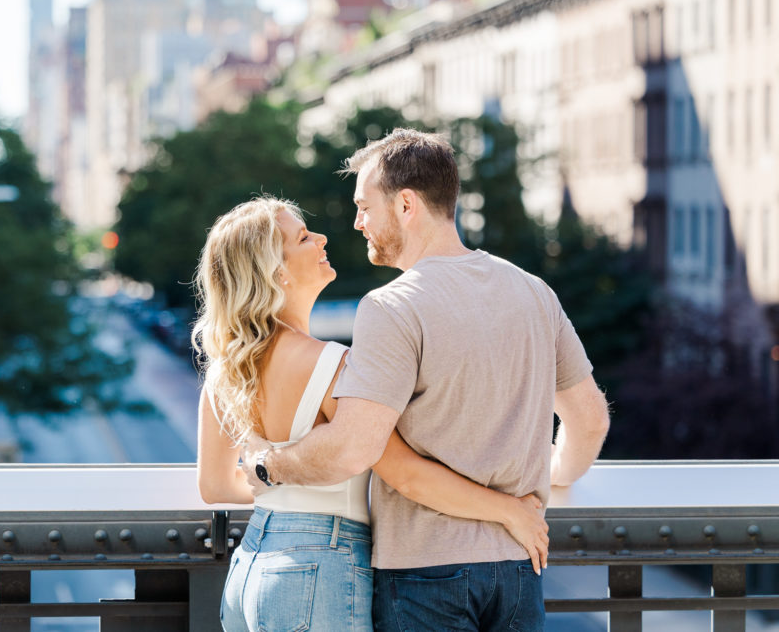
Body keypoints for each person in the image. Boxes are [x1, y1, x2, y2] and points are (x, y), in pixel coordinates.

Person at [242, 129, 611, 631]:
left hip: (423, 575)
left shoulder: (392, 306)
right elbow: (589, 421)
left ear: (407, 204)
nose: (357, 223)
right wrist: (541, 488)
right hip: (519, 567)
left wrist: (268, 464)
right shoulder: (535, 293)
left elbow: (354, 448)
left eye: (365, 208)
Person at [195, 196, 551, 632]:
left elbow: (214, 486)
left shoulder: (227, 368)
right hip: (318, 564)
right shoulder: (333, 366)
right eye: (304, 237)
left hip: (252, 561)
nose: (322, 237)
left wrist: (275, 476)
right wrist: (511, 511)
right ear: (278, 273)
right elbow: (406, 475)